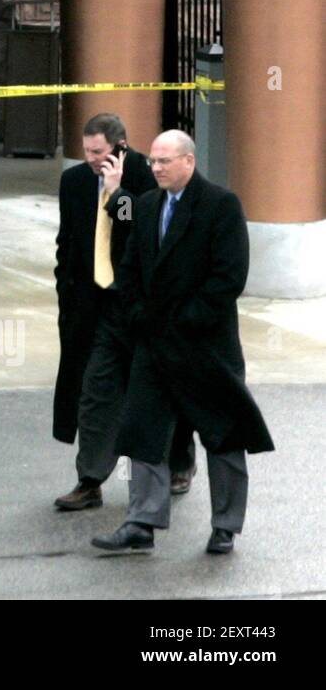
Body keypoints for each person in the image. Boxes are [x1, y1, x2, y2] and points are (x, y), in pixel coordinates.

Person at [92, 130, 274, 556]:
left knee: (223, 435)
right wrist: (137, 315)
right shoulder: (146, 205)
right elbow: (130, 267)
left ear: (188, 162)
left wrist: (186, 320)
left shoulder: (220, 205)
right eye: (153, 161)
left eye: (164, 161)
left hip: (205, 347)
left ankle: (225, 525)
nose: (154, 168)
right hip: (154, 346)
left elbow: (228, 278)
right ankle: (141, 522)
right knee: (143, 432)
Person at [52, 112, 196, 510]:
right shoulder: (75, 181)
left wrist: (117, 195)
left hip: (140, 306)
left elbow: (144, 229)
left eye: (98, 151)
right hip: (96, 307)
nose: (91, 158)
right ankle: (91, 479)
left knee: (158, 390)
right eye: (86, 151)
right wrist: (66, 295)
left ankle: (179, 460)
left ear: (120, 147)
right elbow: (67, 244)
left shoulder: (149, 177)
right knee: (95, 392)